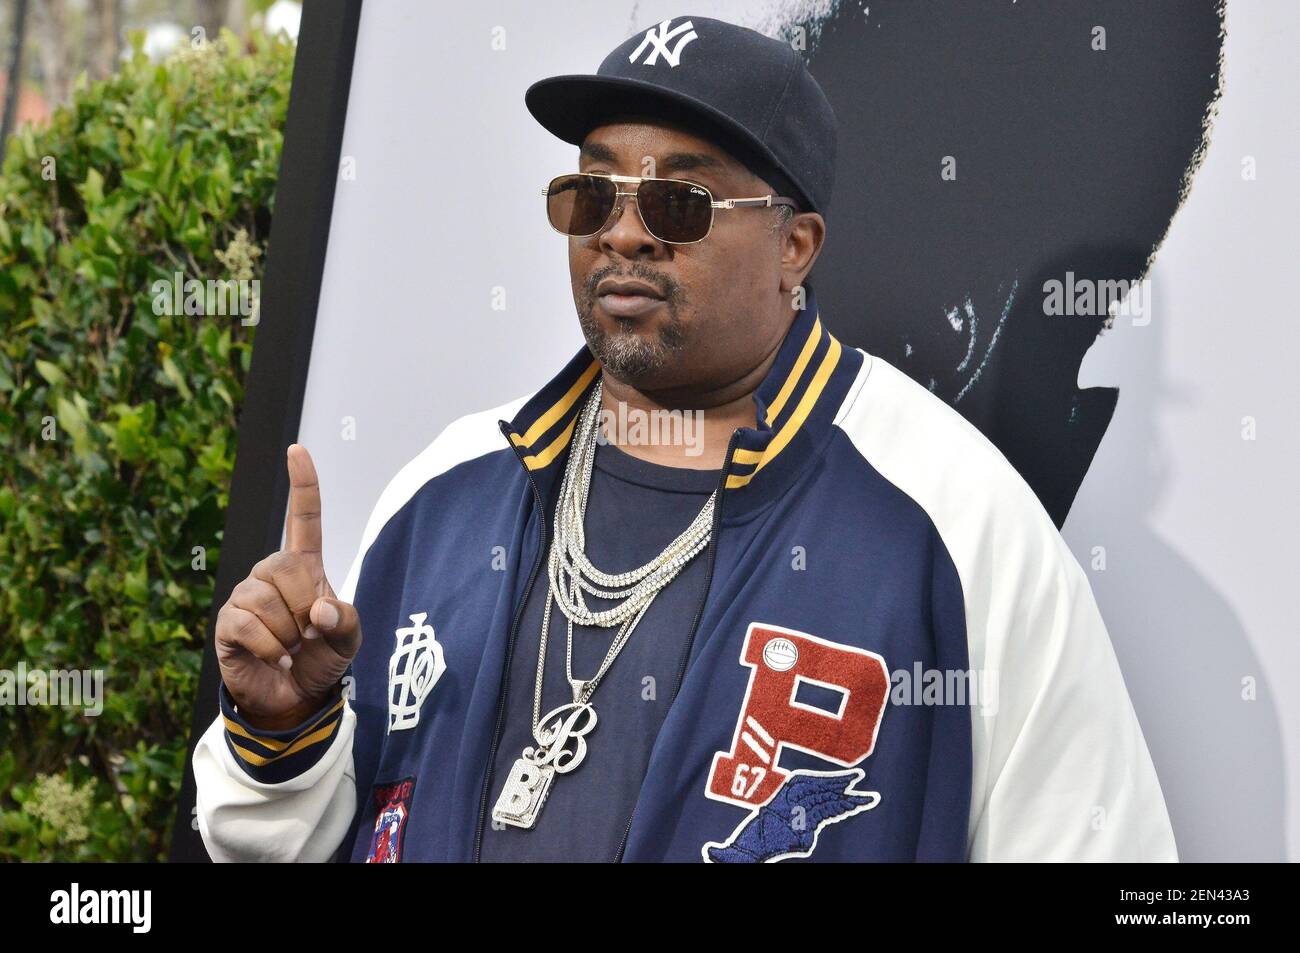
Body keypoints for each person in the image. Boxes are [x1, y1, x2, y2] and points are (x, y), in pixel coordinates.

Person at [193, 15, 1176, 863]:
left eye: (677, 200)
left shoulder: (958, 527)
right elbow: (279, 838)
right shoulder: (448, 489)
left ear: (796, 247)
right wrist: (282, 730)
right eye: (592, 194)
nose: (623, 232)